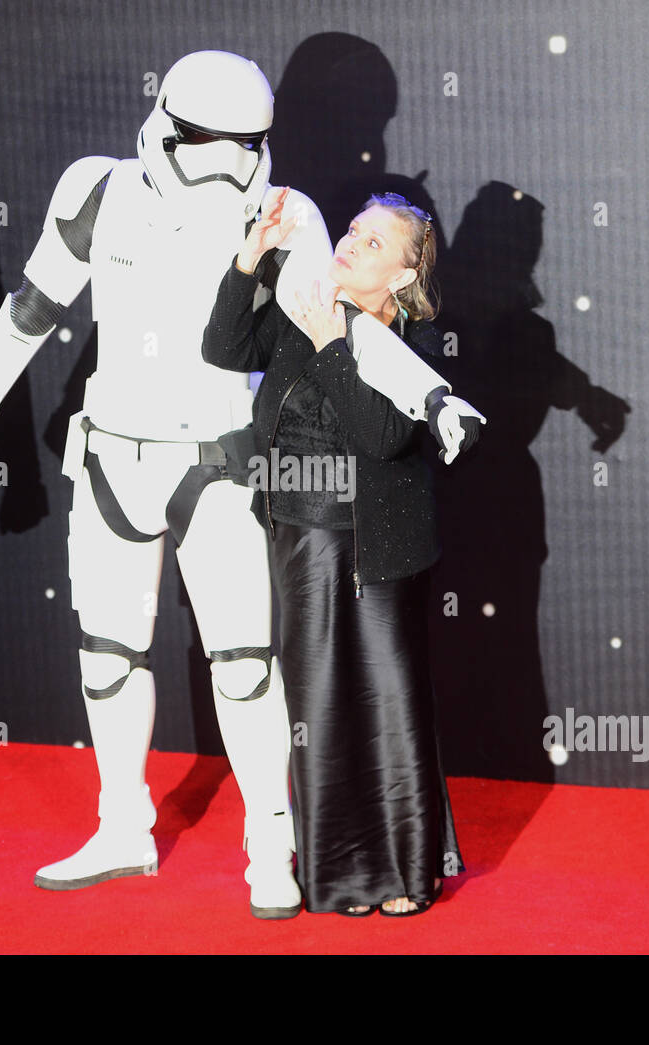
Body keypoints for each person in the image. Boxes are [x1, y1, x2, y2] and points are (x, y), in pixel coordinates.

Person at [0, 51, 481, 917]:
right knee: (107, 653)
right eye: (206, 140)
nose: (225, 162)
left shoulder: (283, 213)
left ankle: (272, 843)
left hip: (222, 461)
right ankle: (123, 823)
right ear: (164, 122)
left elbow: (339, 325)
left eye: (244, 143)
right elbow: (34, 305)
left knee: (243, 663)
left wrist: (432, 392)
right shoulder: (96, 191)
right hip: (114, 451)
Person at [202, 188, 463, 915]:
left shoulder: (415, 344)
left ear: (404, 277)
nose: (351, 243)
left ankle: (407, 873)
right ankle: (346, 875)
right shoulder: (301, 305)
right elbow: (221, 347)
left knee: (386, 700)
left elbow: (381, 438)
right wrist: (249, 262)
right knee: (319, 702)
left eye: (375, 243)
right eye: (354, 229)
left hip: (377, 541)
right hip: (301, 529)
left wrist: (332, 347)